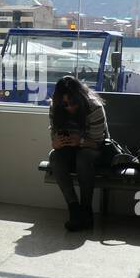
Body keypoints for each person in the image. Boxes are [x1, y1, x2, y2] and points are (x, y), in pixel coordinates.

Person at [48, 75, 109, 231]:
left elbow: (98, 143)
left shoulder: (94, 107)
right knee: (55, 157)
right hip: (70, 148)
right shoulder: (55, 107)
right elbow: (53, 136)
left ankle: (86, 209)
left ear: (81, 99)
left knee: (83, 157)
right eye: (65, 104)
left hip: (93, 148)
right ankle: (74, 208)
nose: (69, 107)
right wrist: (56, 143)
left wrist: (80, 142)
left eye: (73, 103)